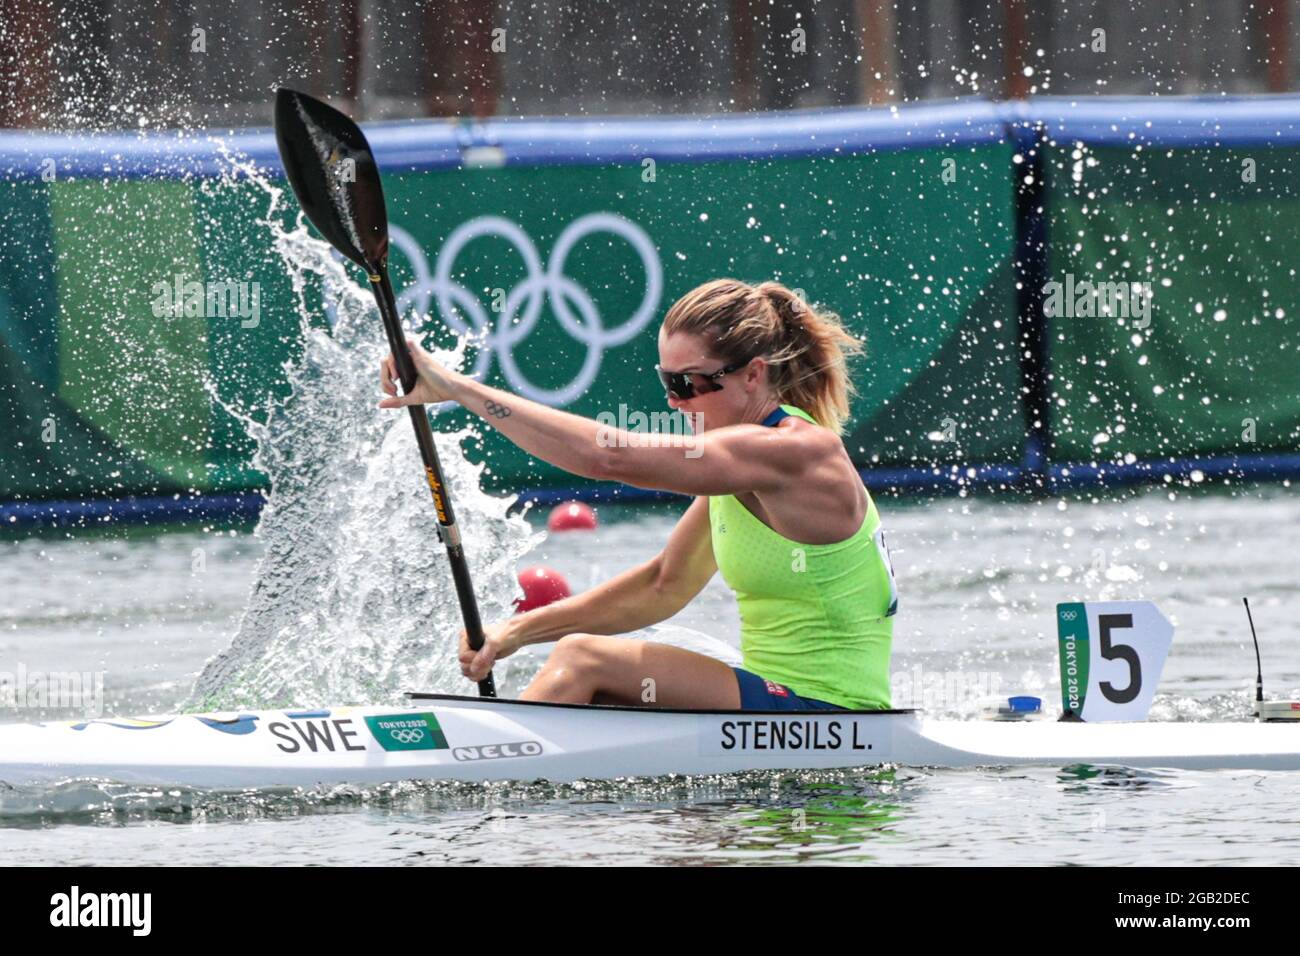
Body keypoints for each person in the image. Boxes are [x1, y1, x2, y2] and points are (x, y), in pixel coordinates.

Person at [379, 278, 897, 711]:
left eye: (690, 384)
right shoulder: (739, 473)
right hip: (777, 701)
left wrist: (457, 388)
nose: (674, 402)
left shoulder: (796, 452)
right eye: (666, 383)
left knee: (584, 659)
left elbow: (609, 457)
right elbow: (661, 586)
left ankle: (489, 777)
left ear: (753, 376)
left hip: (831, 710)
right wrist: (513, 633)